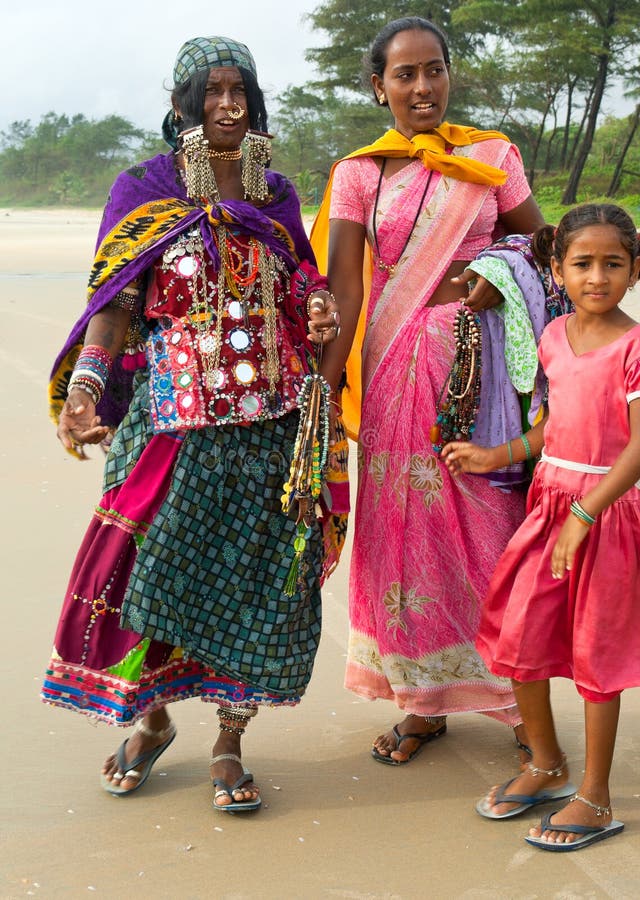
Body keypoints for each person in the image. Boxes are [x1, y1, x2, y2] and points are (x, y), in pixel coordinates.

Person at [42, 35, 347, 814]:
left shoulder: (273, 192)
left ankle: (229, 740)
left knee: (254, 580)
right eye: (211, 90)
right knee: (144, 569)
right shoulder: (140, 188)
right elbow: (113, 304)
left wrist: (314, 306)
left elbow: (301, 282)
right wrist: (85, 386)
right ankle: (150, 720)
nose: (228, 104)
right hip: (169, 423)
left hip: (268, 424)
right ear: (182, 102)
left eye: (240, 88)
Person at [311, 16, 546, 765]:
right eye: (405, 74)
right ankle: (421, 701)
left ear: (451, 75)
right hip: (388, 373)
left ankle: (515, 699)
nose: (422, 87)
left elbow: (541, 245)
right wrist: (323, 390)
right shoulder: (359, 173)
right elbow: (345, 283)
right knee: (404, 535)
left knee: (489, 524)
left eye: (434, 70)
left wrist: (498, 269)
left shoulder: (492, 155)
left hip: (479, 376)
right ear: (377, 87)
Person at [442, 203, 640, 850]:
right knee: (519, 628)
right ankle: (546, 764)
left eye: (613, 264)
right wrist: (498, 455)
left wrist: (587, 514)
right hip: (550, 500)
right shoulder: (554, 336)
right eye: (582, 264)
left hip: (605, 511)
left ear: (634, 273)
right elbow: (553, 424)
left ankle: (595, 796)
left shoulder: (634, 347)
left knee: (595, 653)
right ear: (558, 269)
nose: (597, 277)